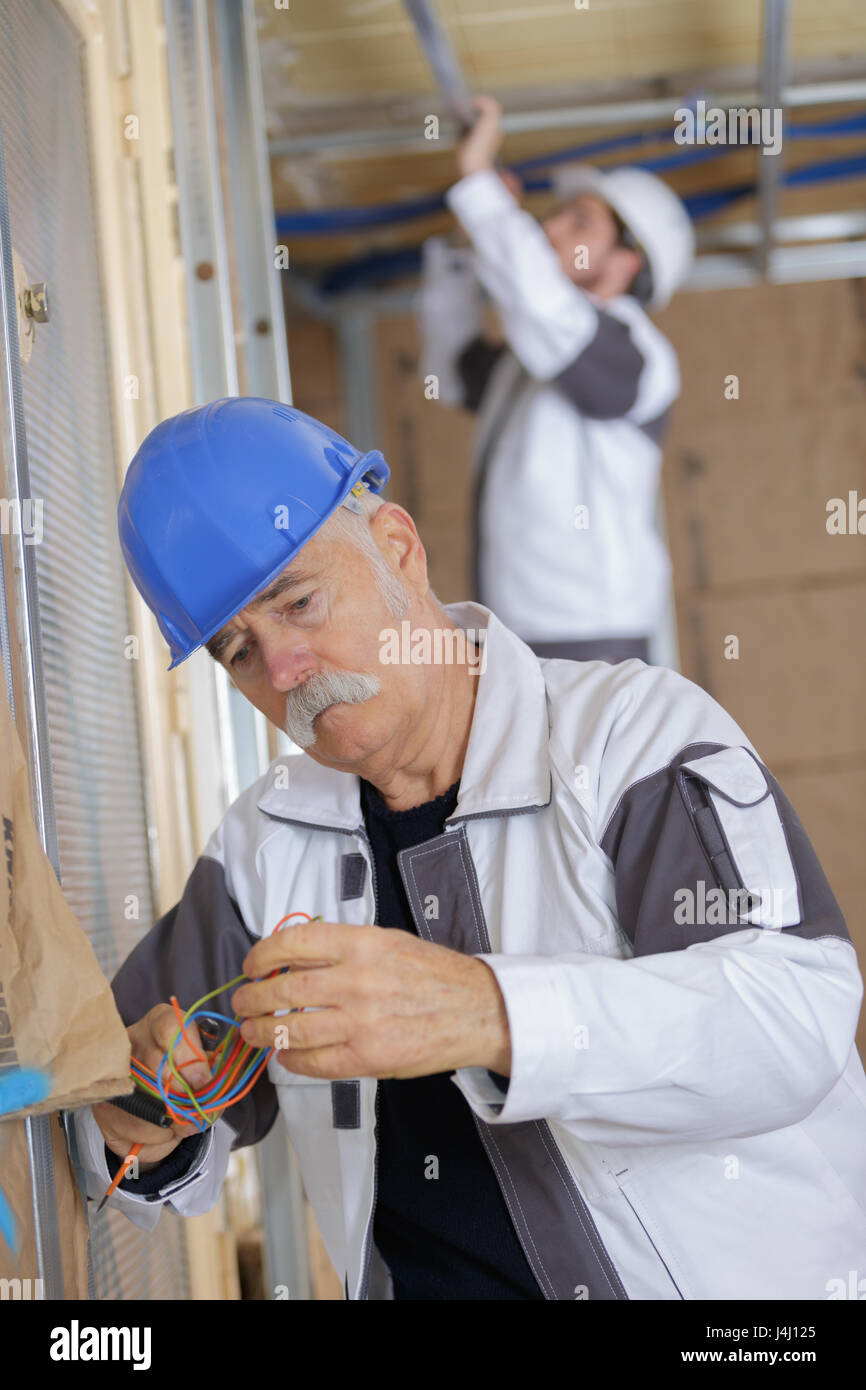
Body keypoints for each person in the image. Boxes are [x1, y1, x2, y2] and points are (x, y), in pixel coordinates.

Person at [71, 397, 866, 1300]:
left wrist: (489, 1013)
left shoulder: (628, 737)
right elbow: (122, 1143)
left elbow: (794, 1015)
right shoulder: (264, 844)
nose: (285, 671)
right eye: (239, 651)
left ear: (399, 549)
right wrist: (145, 1107)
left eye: (299, 602)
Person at [416, 94, 694, 665]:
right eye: (560, 214)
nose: (554, 226)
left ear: (625, 265)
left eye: (582, 223)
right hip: (521, 632)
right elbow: (451, 373)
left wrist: (480, 187)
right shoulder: (537, 358)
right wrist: (473, 244)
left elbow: (544, 311)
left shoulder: (635, 354)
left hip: (594, 636)